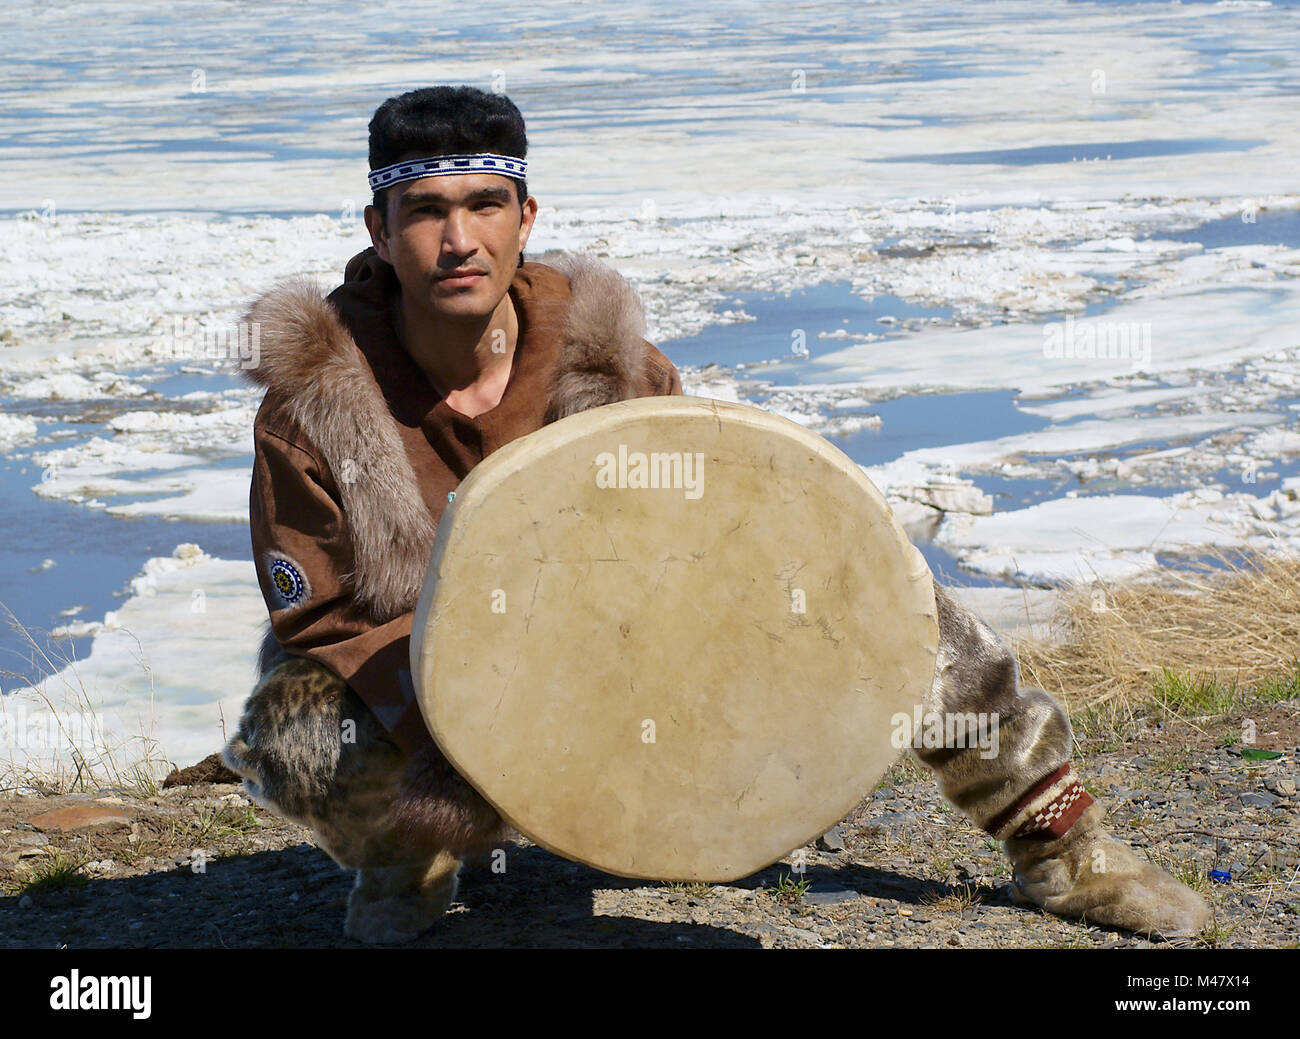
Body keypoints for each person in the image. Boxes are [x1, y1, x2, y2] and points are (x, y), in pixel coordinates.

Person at [223, 85, 1209, 945]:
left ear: (525, 214)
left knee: (892, 593)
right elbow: (325, 616)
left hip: (605, 635)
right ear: (377, 227)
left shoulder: (603, 364)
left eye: (484, 204)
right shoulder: (317, 403)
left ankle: (1062, 850)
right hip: (424, 676)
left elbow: (698, 537)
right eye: (425, 210)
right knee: (294, 726)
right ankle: (412, 851)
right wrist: (481, 732)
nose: (457, 239)